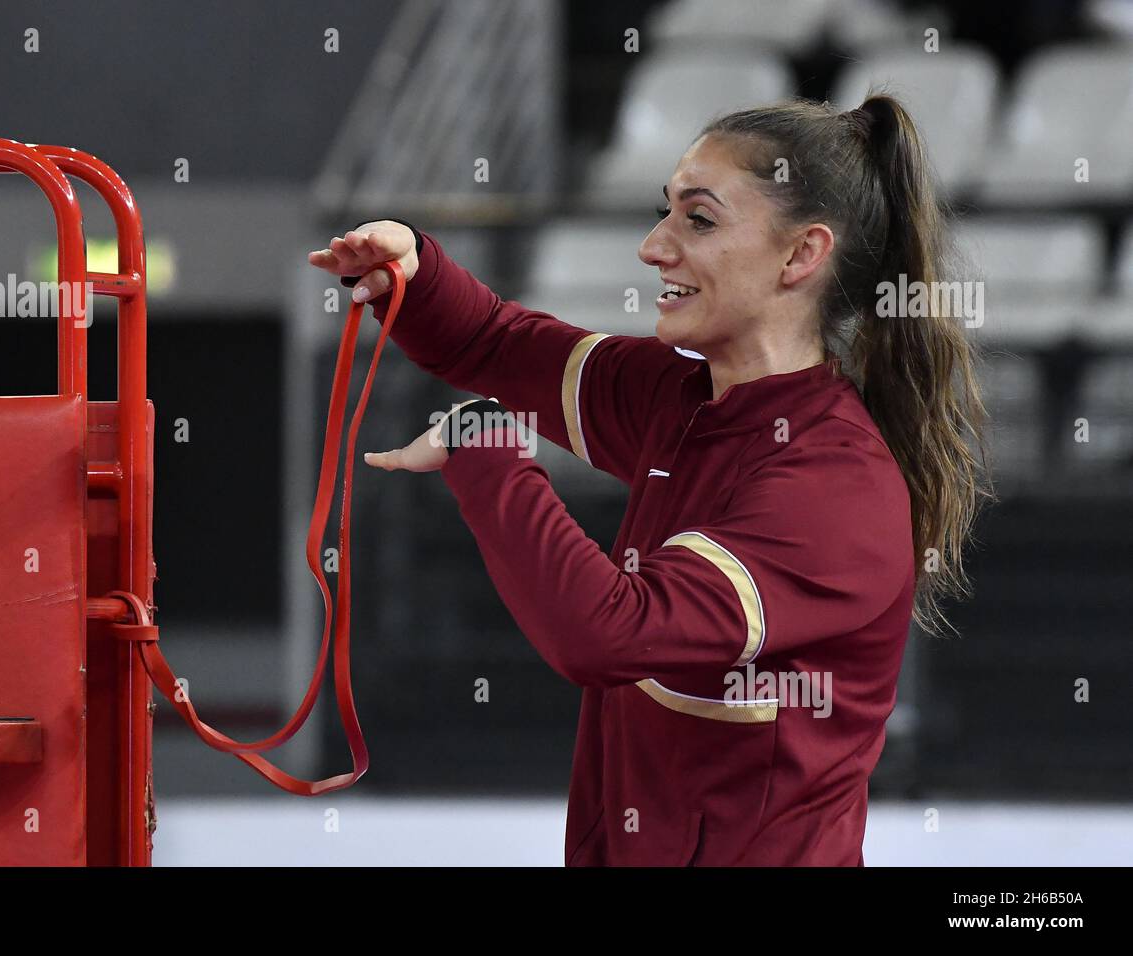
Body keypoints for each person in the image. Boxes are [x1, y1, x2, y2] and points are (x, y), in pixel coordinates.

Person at [306, 95, 991, 866]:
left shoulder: (835, 484)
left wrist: (485, 445)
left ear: (801, 255)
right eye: (665, 212)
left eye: (698, 220)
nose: (653, 246)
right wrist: (413, 272)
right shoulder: (684, 396)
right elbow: (497, 344)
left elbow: (605, 634)